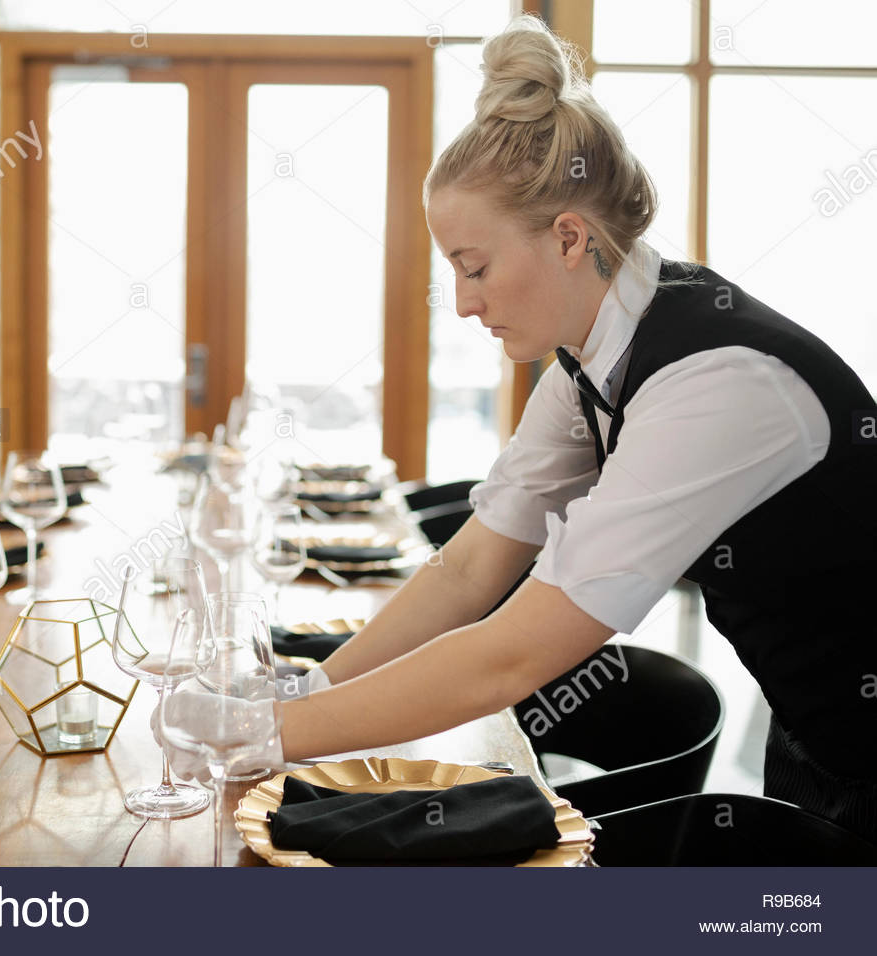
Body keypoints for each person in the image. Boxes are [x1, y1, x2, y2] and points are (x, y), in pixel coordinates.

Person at [163, 14, 877, 842]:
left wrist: (267, 737)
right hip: (816, 736)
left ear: (569, 236)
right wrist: (301, 695)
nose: (463, 301)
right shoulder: (590, 360)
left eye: (474, 267)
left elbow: (513, 653)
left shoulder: (716, 383)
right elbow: (470, 569)